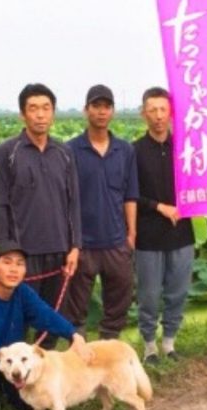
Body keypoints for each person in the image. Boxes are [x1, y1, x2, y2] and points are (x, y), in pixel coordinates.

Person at [0, 241, 92, 410]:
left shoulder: (22, 292)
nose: (14, 269)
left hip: (14, 363)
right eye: (7, 262)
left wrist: (73, 334)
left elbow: (45, 315)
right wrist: (10, 370)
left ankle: (0, 390)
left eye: (20, 264)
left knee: (36, 407)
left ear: (25, 271)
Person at [0, 83, 82, 349]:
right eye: (33, 109)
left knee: (51, 321)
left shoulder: (64, 153)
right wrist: (6, 254)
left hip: (60, 252)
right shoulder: (7, 153)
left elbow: (73, 203)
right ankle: (10, 387)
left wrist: (75, 247)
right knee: (16, 324)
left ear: (53, 113)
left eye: (46, 108)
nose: (40, 115)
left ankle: (44, 385)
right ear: (22, 114)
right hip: (22, 255)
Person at [63, 84, 139, 339]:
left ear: (113, 112)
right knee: (76, 307)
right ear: (86, 110)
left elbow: (130, 194)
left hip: (116, 240)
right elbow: (65, 198)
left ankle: (109, 348)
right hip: (82, 242)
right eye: (96, 106)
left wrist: (132, 234)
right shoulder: (70, 150)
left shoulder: (125, 150)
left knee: (119, 298)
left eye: (106, 107)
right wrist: (71, 241)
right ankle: (79, 354)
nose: (101, 112)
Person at [132, 87, 195, 364]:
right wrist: (159, 207)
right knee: (148, 294)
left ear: (171, 113)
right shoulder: (133, 151)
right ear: (143, 113)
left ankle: (169, 342)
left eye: (163, 110)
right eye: (153, 110)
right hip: (148, 235)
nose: (158, 116)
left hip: (181, 233)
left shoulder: (186, 148)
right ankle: (149, 345)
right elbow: (130, 193)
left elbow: (199, 182)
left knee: (178, 291)